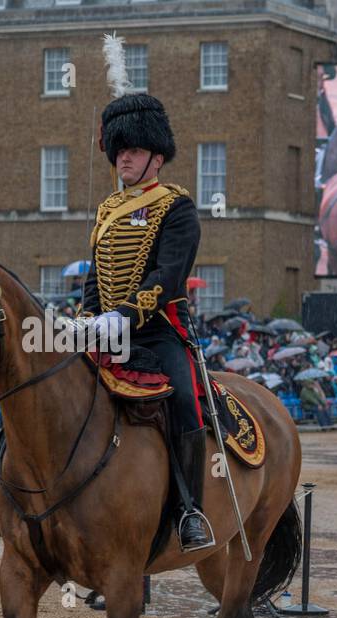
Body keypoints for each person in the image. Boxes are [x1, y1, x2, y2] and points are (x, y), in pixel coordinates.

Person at [81, 92, 214, 551]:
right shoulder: (105, 212)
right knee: (45, 382)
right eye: (119, 151)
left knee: (184, 403)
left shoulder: (176, 208)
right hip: (104, 332)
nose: (124, 158)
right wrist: (88, 318)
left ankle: (189, 509)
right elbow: (94, 275)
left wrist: (124, 314)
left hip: (158, 333)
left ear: (157, 157)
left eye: (133, 150)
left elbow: (168, 275)